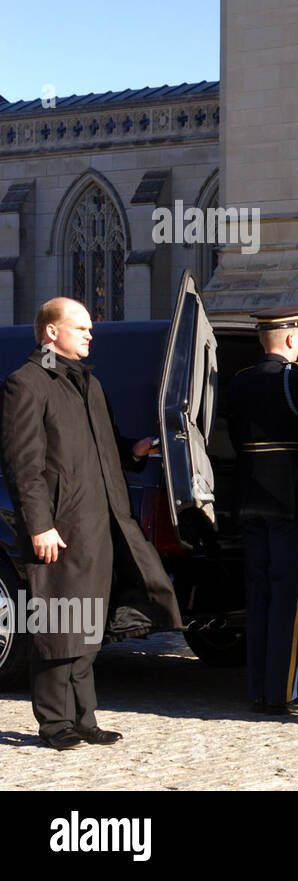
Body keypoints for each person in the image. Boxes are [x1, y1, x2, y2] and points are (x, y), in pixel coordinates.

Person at [0, 298, 182, 749]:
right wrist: (39, 525)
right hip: (59, 527)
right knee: (56, 624)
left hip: (100, 524)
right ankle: (54, 723)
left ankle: (85, 717)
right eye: (80, 328)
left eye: (89, 329)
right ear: (51, 334)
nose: (89, 334)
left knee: (87, 627)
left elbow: (102, 447)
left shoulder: (88, 383)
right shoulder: (26, 383)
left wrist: (133, 451)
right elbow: (23, 467)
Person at [226, 305, 298, 715]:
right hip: (290, 499)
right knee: (290, 599)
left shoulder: (240, 381)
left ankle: (260, 689)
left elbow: (231, 434)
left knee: (260, 597)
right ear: (290, 338)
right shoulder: (295, 378)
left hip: (249, 497)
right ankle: (284, 692)